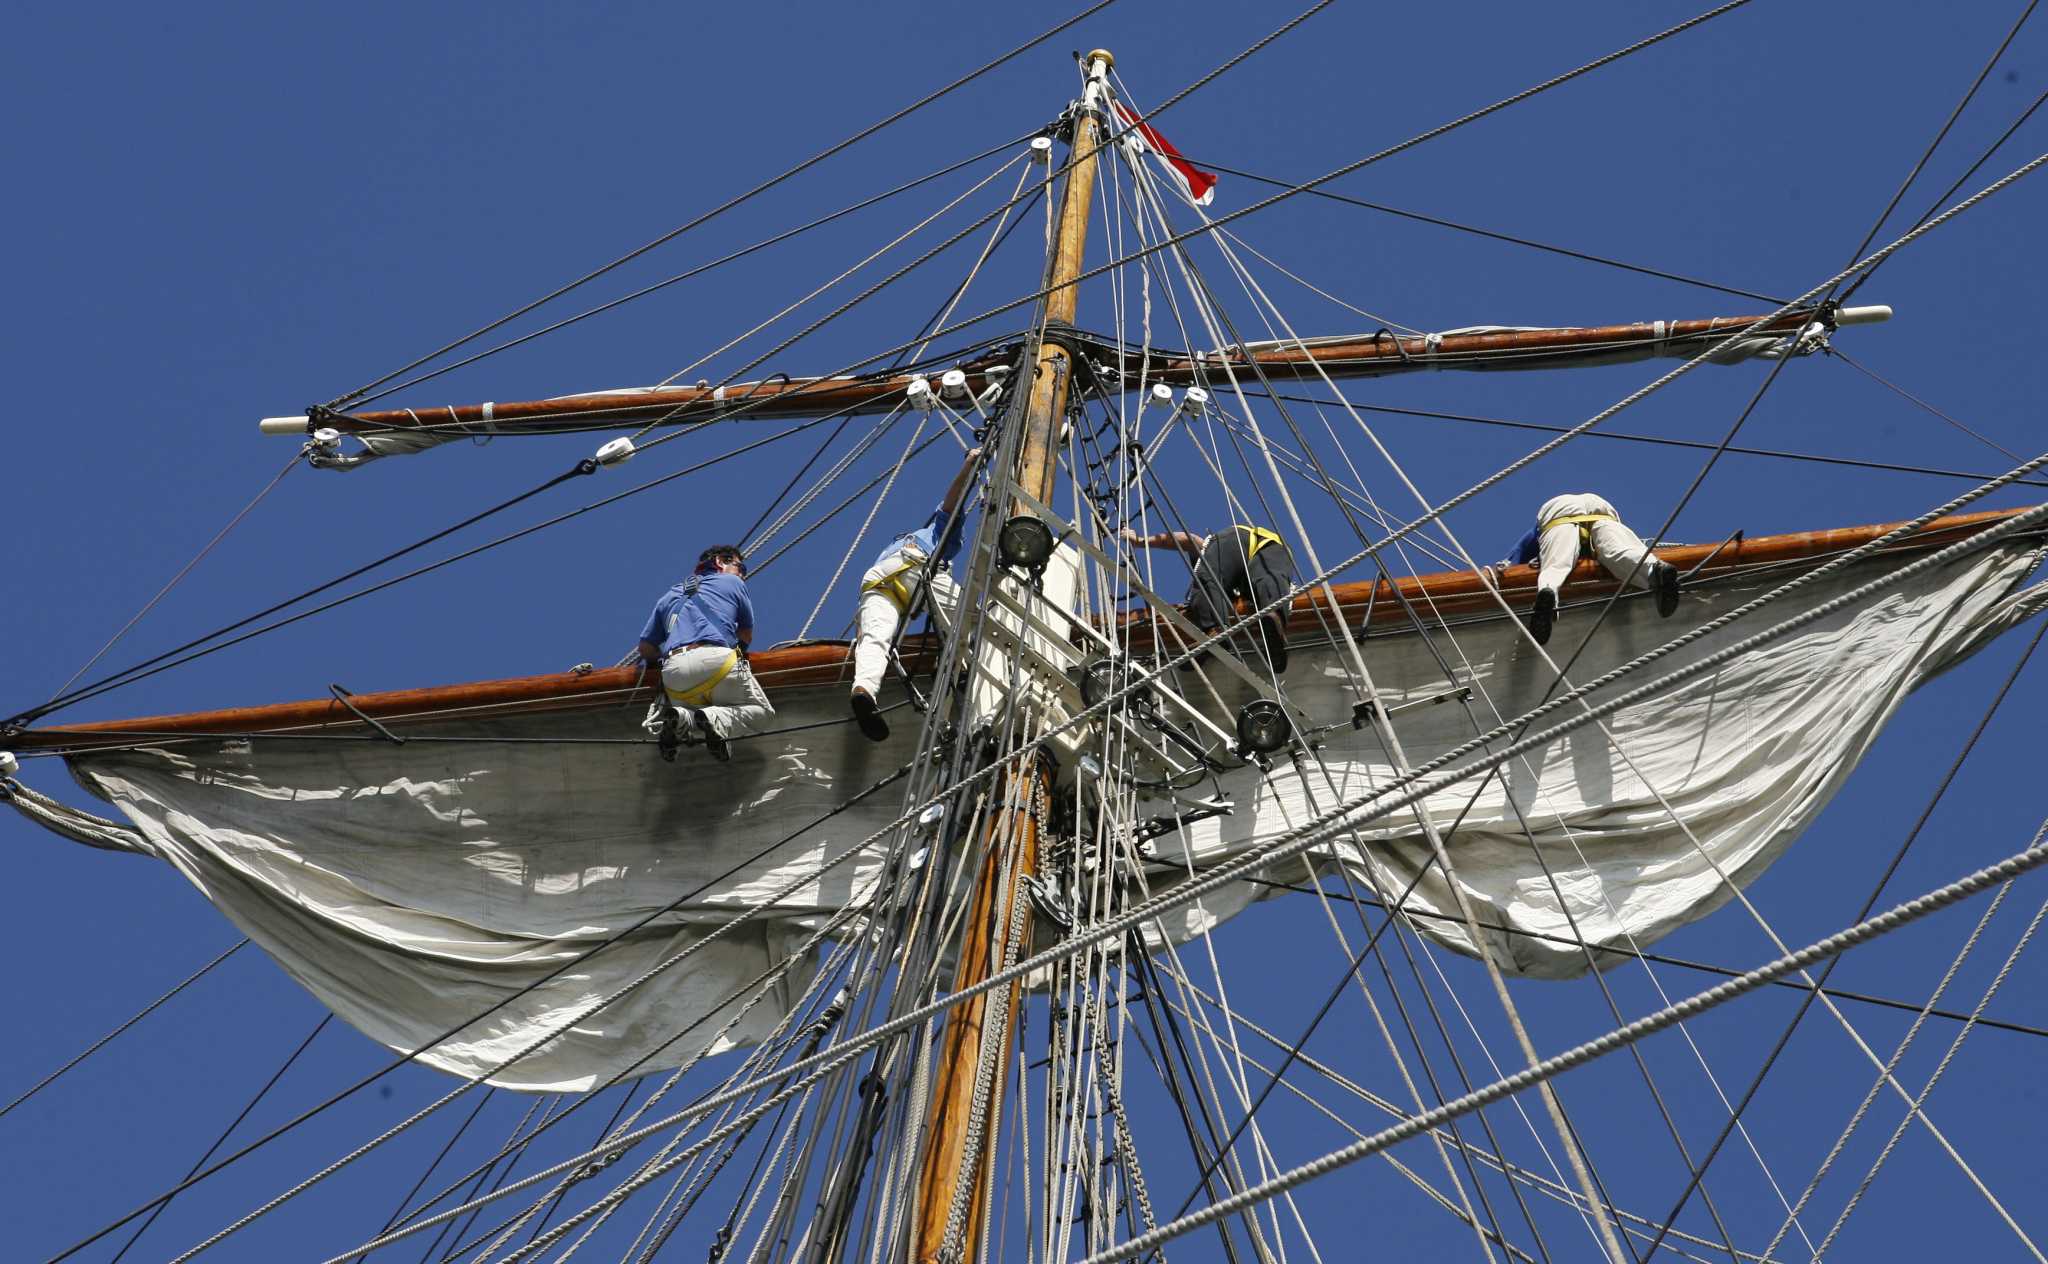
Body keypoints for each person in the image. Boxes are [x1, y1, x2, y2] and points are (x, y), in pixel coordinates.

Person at [849, 447, 983, 741]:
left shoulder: (893, 545)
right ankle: (962, 670)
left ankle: (864, 692)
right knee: (973, 623)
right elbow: (955, 499)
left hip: (880, 582)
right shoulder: (939, 534)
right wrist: (971, 464)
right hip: (920, 569)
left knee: (874, 639)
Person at [637, 544, 774, 762]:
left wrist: (659, 666)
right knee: (762, 713)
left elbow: (645, 649)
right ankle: (713, 717)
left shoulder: (669, 595)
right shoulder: (732, 582)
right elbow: (746, 634)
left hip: (674, 672)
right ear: (721, 561)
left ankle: (681, 718)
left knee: (692, 717)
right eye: (741, 567)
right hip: (717, 662)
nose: (742, 574)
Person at [1500, 492, 1681, 645]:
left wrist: (1508, 565)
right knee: (1620, 552)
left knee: (1556, 566)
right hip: (1602, 512)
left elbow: (1523, 547)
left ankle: (1547, 591)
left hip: (1560, 514)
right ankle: (1655, 570)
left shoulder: (1541, 531)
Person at [1122, 523, 1293, 673]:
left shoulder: (1209, 554)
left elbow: (1188, 539)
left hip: (1235, 540)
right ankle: (1273, 618)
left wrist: (1141, 541)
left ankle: (1215, 629)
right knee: (1270, 580)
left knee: (1208, 580)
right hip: (1275, 548)